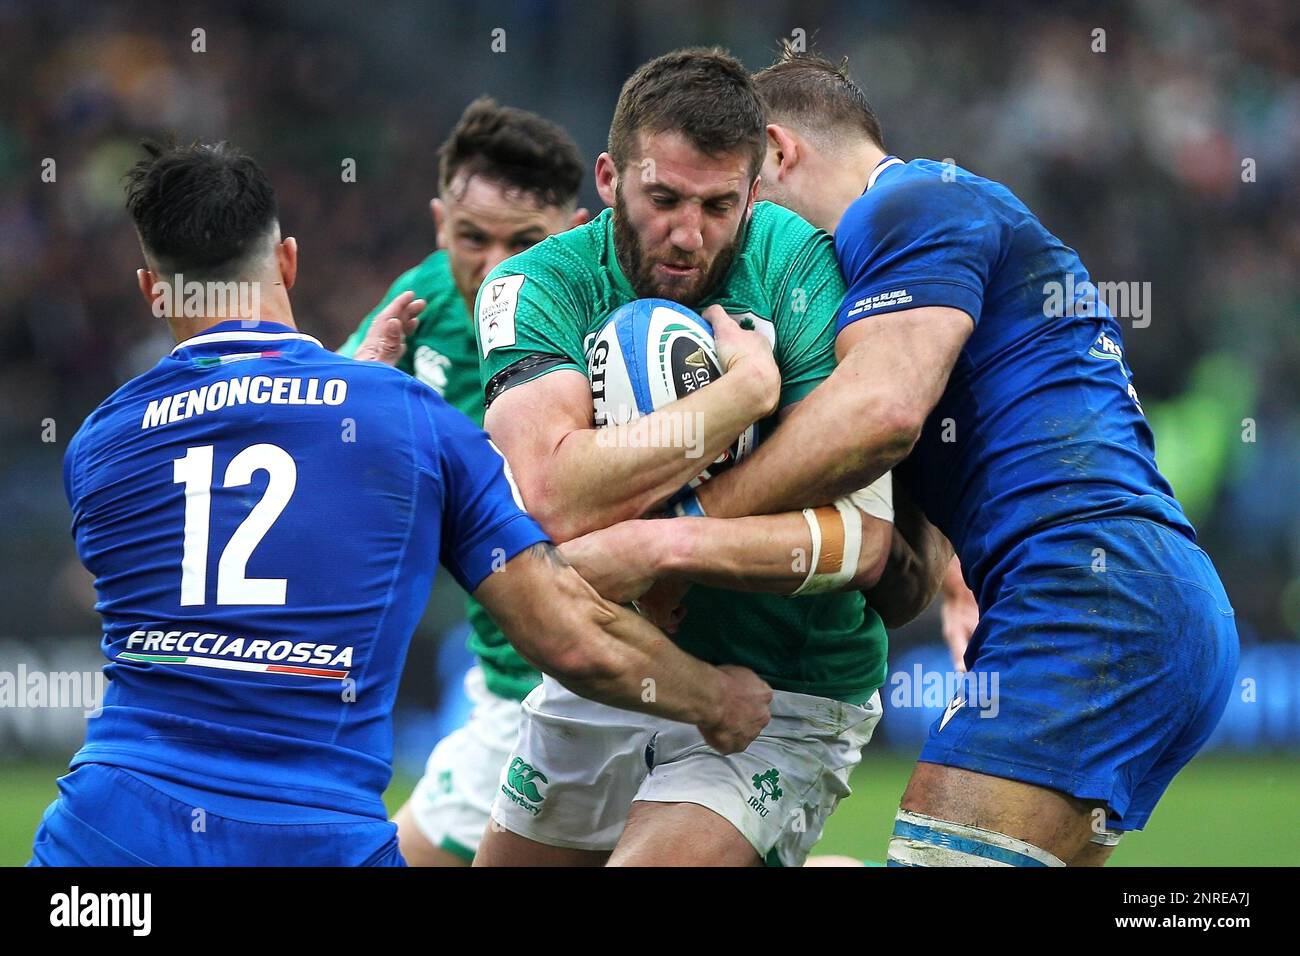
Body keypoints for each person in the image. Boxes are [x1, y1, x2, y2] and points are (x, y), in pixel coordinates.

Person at [27, 139, 771, 867]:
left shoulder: (98, 444)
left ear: (152, 290)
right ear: (287, 259)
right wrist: (713, 697)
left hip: (106, 833)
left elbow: (227, 498)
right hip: (313, 839)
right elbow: (570, 637)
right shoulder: (408, 418)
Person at [685, 49, 1240, 866]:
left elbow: (880, 412)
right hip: (1127, 595)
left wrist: (687, 529)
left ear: (778, 150)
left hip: (1088, 600)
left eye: (737, 199)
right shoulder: (946, 229)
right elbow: (916, 536)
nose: (739, 235)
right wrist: (952, 579)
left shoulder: (906, 206)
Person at [471, 48, 901, 868]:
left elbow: (858, 536)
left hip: (785, 684)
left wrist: (667, 544)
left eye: (718, 205)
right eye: (662, 198)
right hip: (609, 668)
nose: (686, 234)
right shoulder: (536, 285)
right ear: (607, 178)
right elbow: (555, 498)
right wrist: (744, 393)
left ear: (754, 191)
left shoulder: (801, 261)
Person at [339, 98, 589, 866]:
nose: (497, 268)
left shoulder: (619, 303)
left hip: (622, 685)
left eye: (526, 242)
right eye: (472, 238)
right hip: (510, 694)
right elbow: (320, 442)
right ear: (440, 220)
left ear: (575, 230)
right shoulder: (415, 311)